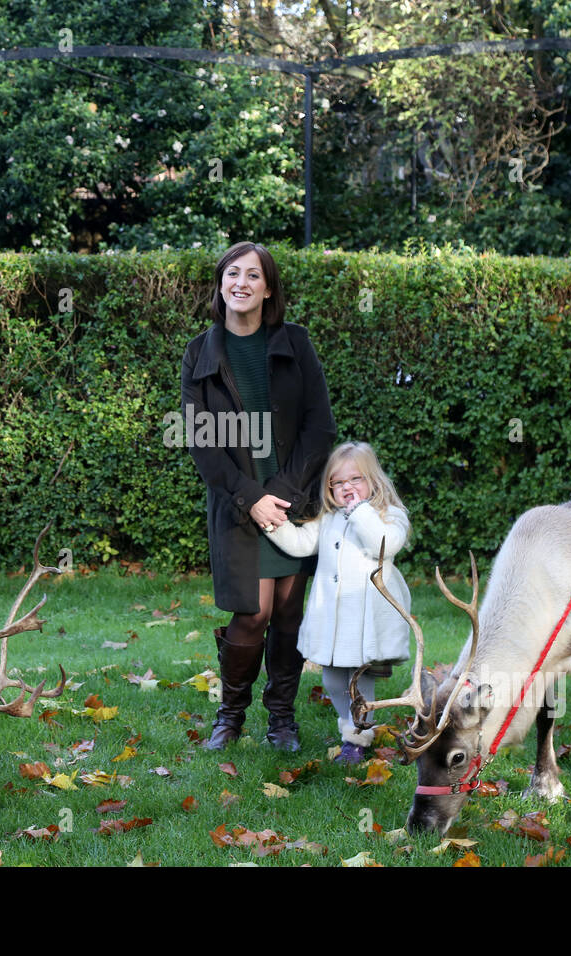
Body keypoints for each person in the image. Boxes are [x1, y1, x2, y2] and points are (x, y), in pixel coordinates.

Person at [181, 241, 336, 752]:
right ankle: (230, 716)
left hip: (293, 504)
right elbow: (202, 443)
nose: (241, 283)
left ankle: (282, 719)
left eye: (253, 275)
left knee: (289, 614)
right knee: (253, 612)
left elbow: (320, 428)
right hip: (237, 507)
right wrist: (251, 498)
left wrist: (282, 494)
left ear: (268, 289)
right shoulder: (200, 352)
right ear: (220, 282)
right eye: (232, 273)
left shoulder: (295, 342)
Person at [262, 441, 411, 763]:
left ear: (373, 479)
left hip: (366, 621)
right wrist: (274, 524)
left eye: (355, 480)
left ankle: (357, 740)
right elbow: (302, 544)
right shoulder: (328, 519)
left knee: (360, 681)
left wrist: (361, 511)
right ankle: (352, 725)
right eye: (338, 482)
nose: (347, 488)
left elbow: (385, 545)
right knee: (332, 679)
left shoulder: (388, 515)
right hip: (333, 619)